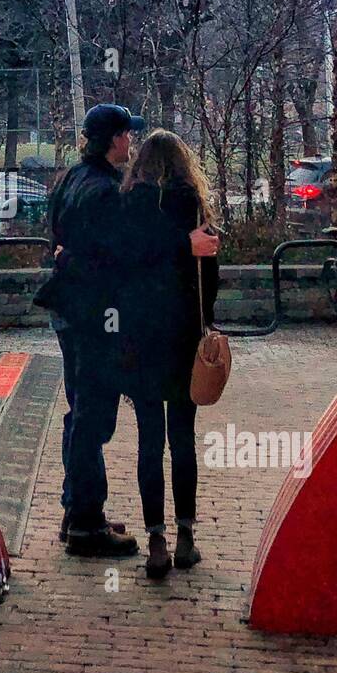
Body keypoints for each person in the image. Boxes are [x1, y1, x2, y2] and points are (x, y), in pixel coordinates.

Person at [35, 104, 144, 557]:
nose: (132, 144)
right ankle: (85, 522)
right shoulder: (106, 191)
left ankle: (79, 508)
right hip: (95, 316)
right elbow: (118, 259)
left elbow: (60, 238)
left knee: (79, 410)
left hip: (68, 309)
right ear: (115, 140)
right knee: (92, 416)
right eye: (127, 136)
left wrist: (65, 258)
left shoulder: (69, 180)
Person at [116, 129, 221, 579]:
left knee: (147, 442)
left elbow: (122, 267)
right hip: (182, 336)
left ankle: (155, 540)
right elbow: (209, 277)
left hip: (141, 338)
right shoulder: (194, 208)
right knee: (182, 439)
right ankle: (186, 537)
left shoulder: (129, 206)